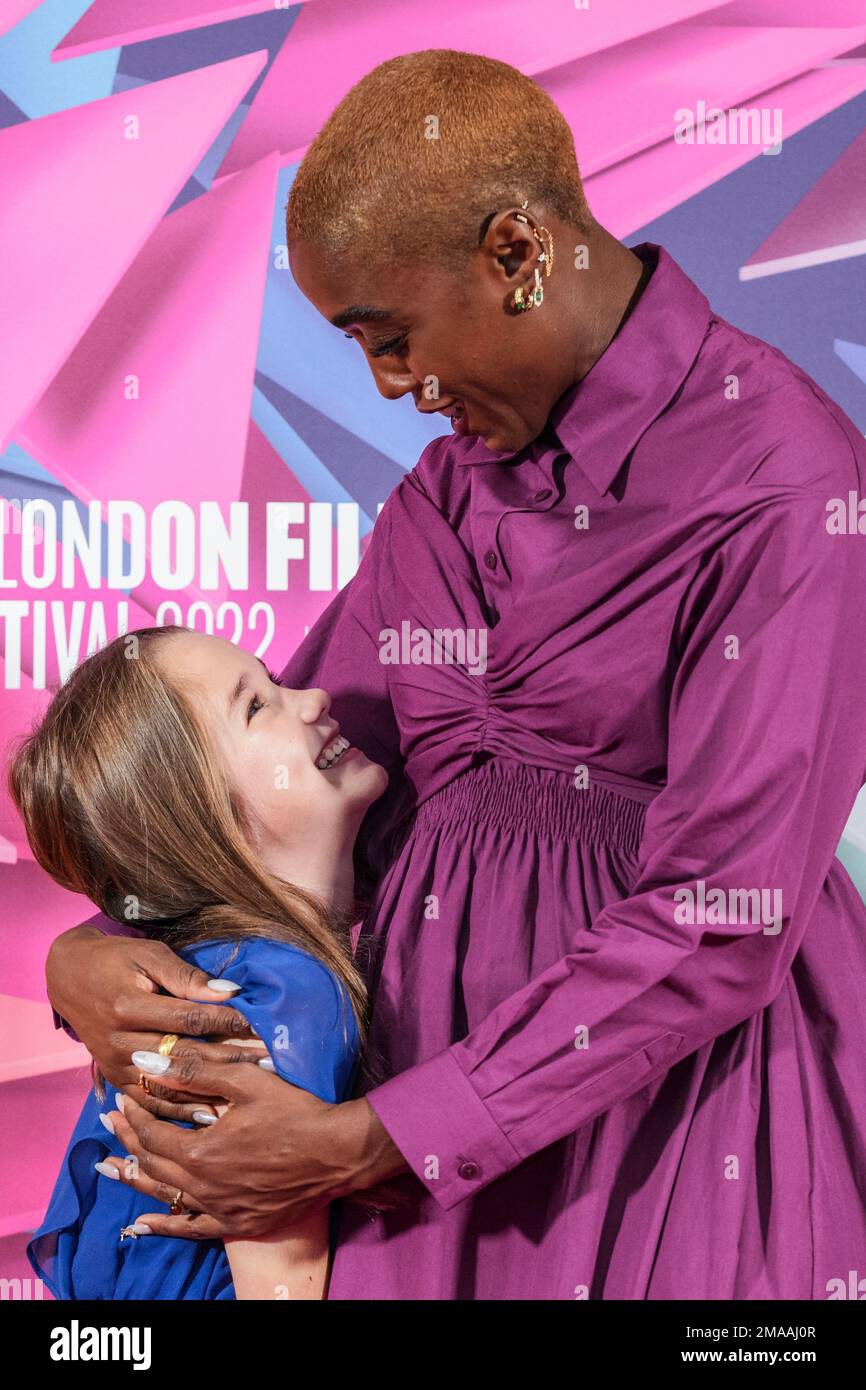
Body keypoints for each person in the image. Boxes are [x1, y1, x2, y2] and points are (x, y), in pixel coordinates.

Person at [40, 50, 866, 1299]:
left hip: (662, 1143)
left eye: (390, 336)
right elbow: (253, 781)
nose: (386, 386)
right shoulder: (441, 496)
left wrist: (378, 1138)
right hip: (394, 1167)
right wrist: (92, 953)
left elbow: (722, 915)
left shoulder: (783, 481)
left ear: (515, 253)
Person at [8, 625, 389, 1299]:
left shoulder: (240, 972)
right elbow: (282, 1288)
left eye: (273, 683)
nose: (313, 698)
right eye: (256, 707)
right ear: (201, 817)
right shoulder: (289, 992)